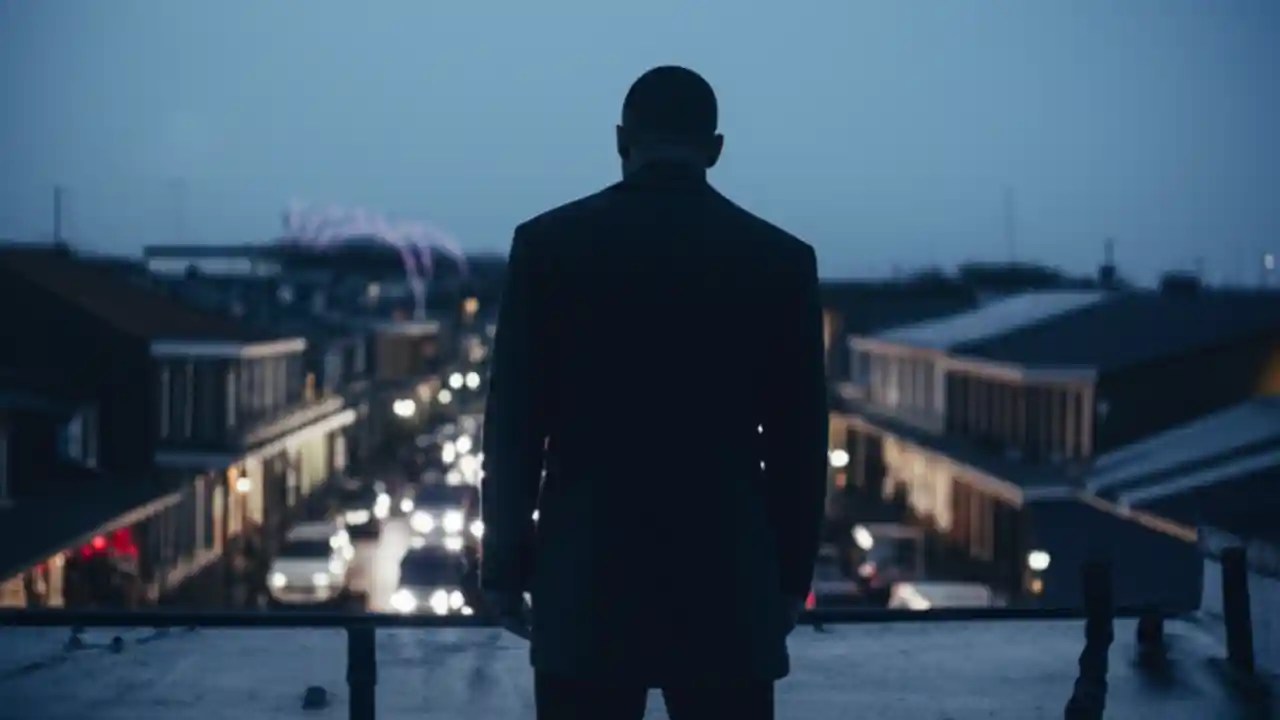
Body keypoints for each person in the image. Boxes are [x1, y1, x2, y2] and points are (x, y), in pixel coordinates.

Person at [481, 65, 828, 720]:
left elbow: (514, 428)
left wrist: (503, 569)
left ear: (621, 139)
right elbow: (799, 443)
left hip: (586, 584)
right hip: (727, 586)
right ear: (716, 148)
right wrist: (789, 580)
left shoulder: (548, 247)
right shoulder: (779, 260)